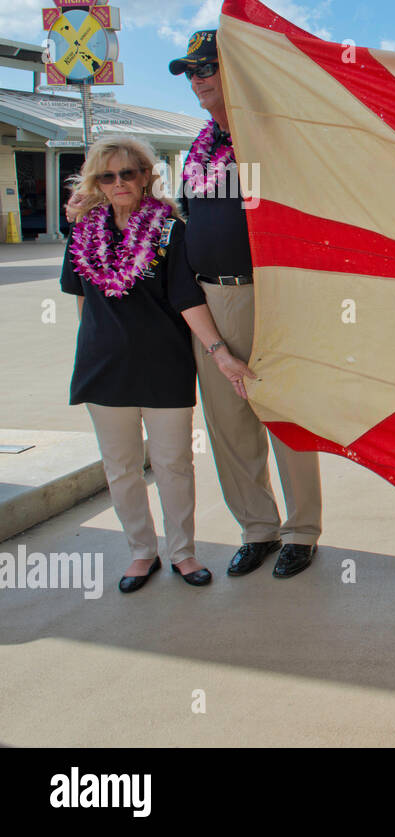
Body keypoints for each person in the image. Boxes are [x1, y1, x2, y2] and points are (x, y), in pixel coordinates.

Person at [60, 136, 254, 593]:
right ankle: (141, 552)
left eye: (129, 172)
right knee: (121, 467)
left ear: (147, 175)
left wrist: (219, 353)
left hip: (164, 364)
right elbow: (78, 293)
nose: (119, 182)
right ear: (96, 183)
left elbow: (186, 298)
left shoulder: (171, 230)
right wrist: (73, 222)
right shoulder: (84, 230)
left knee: (174, 464)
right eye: (107, 176)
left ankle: (183, 553)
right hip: (104, 366)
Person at [171, 29, 324, 578]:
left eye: (208, 66)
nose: (198, 77)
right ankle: (257, 528)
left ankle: (301, 532)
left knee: (283, 415)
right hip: (212, 297)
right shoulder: (198, 147)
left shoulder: (269, 134)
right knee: (229, 424)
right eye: (191, 70)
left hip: (271, 295)